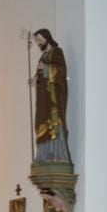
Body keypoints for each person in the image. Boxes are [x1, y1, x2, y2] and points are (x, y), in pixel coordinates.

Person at [31, 28, 70, 163]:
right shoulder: (42, 57)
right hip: (43, 99)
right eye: (37, 42)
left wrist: (46, 69)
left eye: (40, 40)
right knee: (40, 123)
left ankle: (57, 155)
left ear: (47, 38)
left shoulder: (57, 52)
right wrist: (35, 80)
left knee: (53, 123)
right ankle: (43, 156)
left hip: (53, 99)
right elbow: (40, 75)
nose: (39, 44)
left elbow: (61, 71)